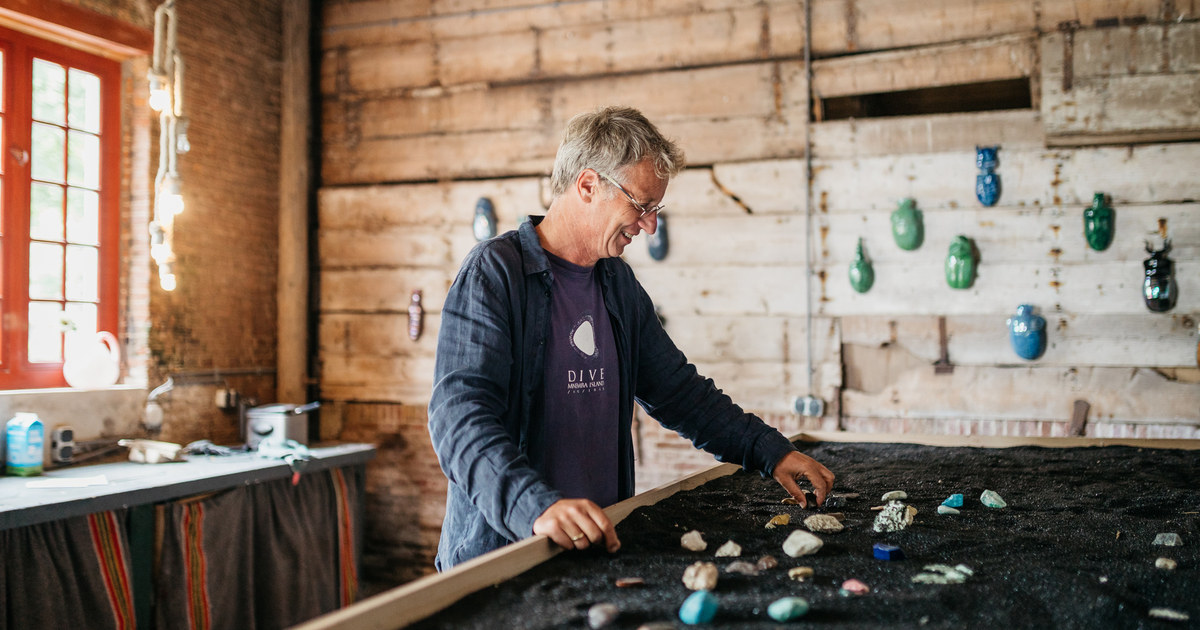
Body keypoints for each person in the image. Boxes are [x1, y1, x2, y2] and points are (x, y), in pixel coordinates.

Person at [428, 106, 835, 571]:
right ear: (587, 186)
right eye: (640, 206)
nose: (649, 225)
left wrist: (771, 451)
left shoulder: (617, 284)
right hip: (505, 558)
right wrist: (534, 506)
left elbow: (680, 392)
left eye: (654, 209)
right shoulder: (495, 273)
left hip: (598, 546)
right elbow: (458, 419)